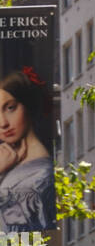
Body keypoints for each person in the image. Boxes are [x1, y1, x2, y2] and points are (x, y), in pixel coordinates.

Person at [0, 68, 55, 232]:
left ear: (29, 106)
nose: (3, 123)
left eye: (10, 108)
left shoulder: (39, 179)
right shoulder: (8, 161)